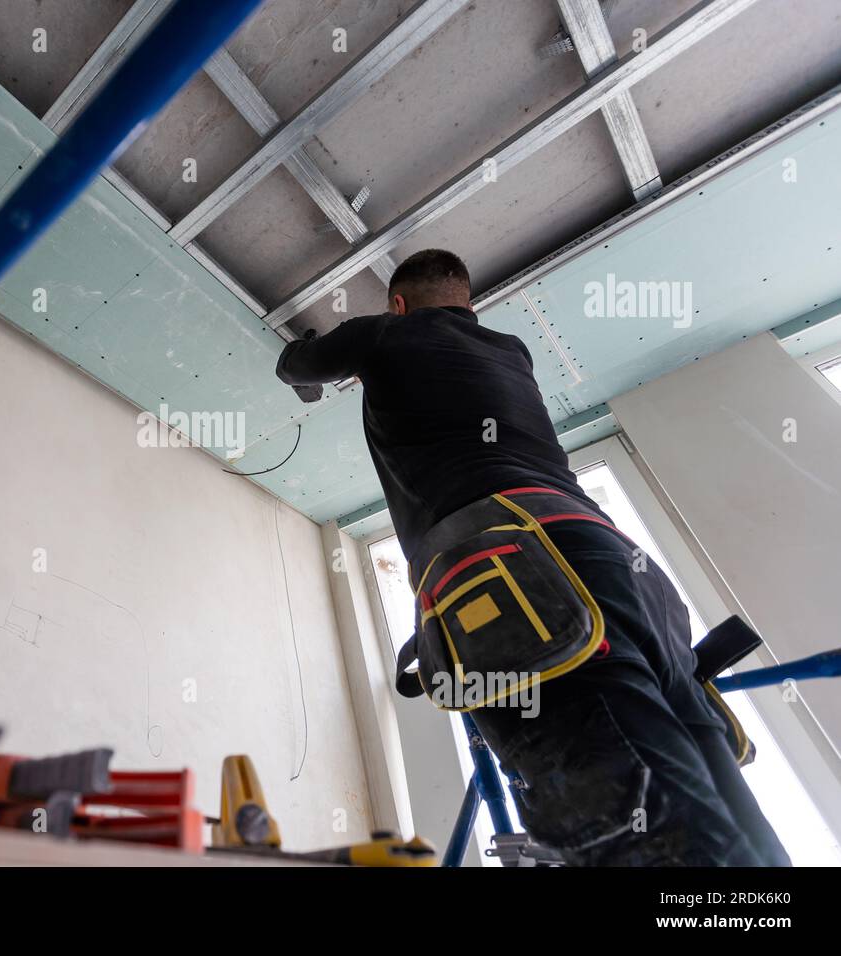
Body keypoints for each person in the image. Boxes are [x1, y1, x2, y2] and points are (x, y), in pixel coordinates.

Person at [275, 248, 789, 866]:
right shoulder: (510, 349)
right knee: (721, 812)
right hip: (623, 568)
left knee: (652, 836)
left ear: (399, 303)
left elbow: (294, 366)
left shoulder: (385, 332)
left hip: (521, 572)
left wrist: (314, 357)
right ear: (470, 306)